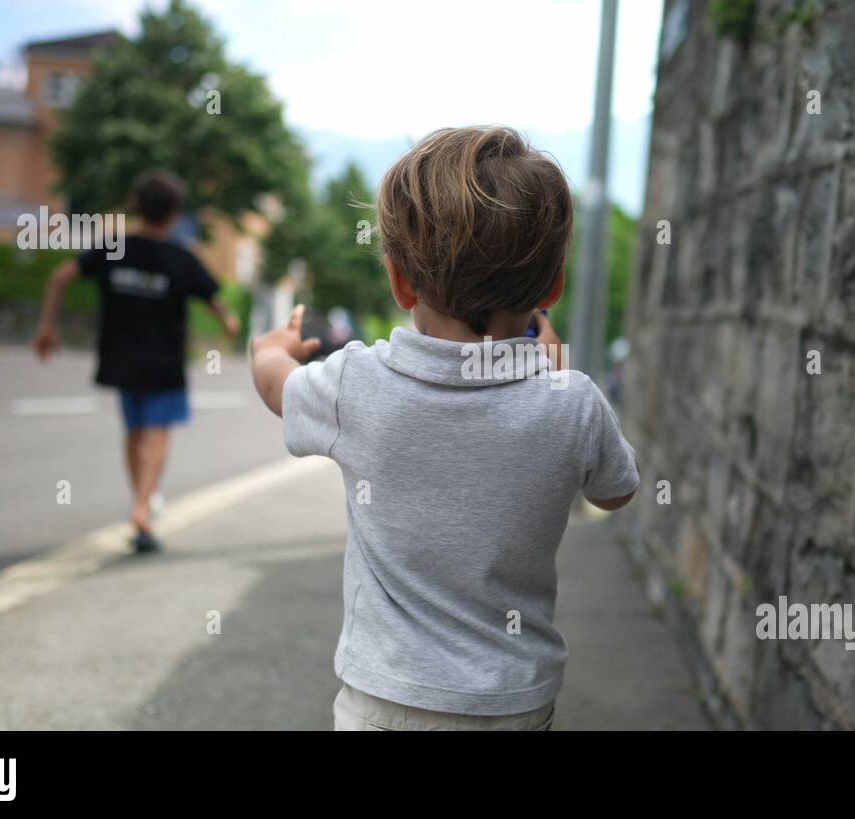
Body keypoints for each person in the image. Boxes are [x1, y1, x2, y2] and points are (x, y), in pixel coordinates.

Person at [250, 127, 638, 730]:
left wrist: (269, 351)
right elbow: (615, 491)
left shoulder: (357, 381)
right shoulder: (572, 402)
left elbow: (280, 388)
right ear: (553, 288)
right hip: (514, 698)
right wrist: (552, 361)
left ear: (400, 281)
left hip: (390, 696)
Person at [32, 170, 238, 552]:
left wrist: (47, 326)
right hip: (163, 364)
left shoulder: (114, 248)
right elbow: (213, 298)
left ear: (135, 206)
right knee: (156, 434)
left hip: (120, 359)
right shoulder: (180, 258)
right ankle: (143, 506)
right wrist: (228, 320)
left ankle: (139, 502)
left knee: (134, 431)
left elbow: (61, 276)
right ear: (174, 213)